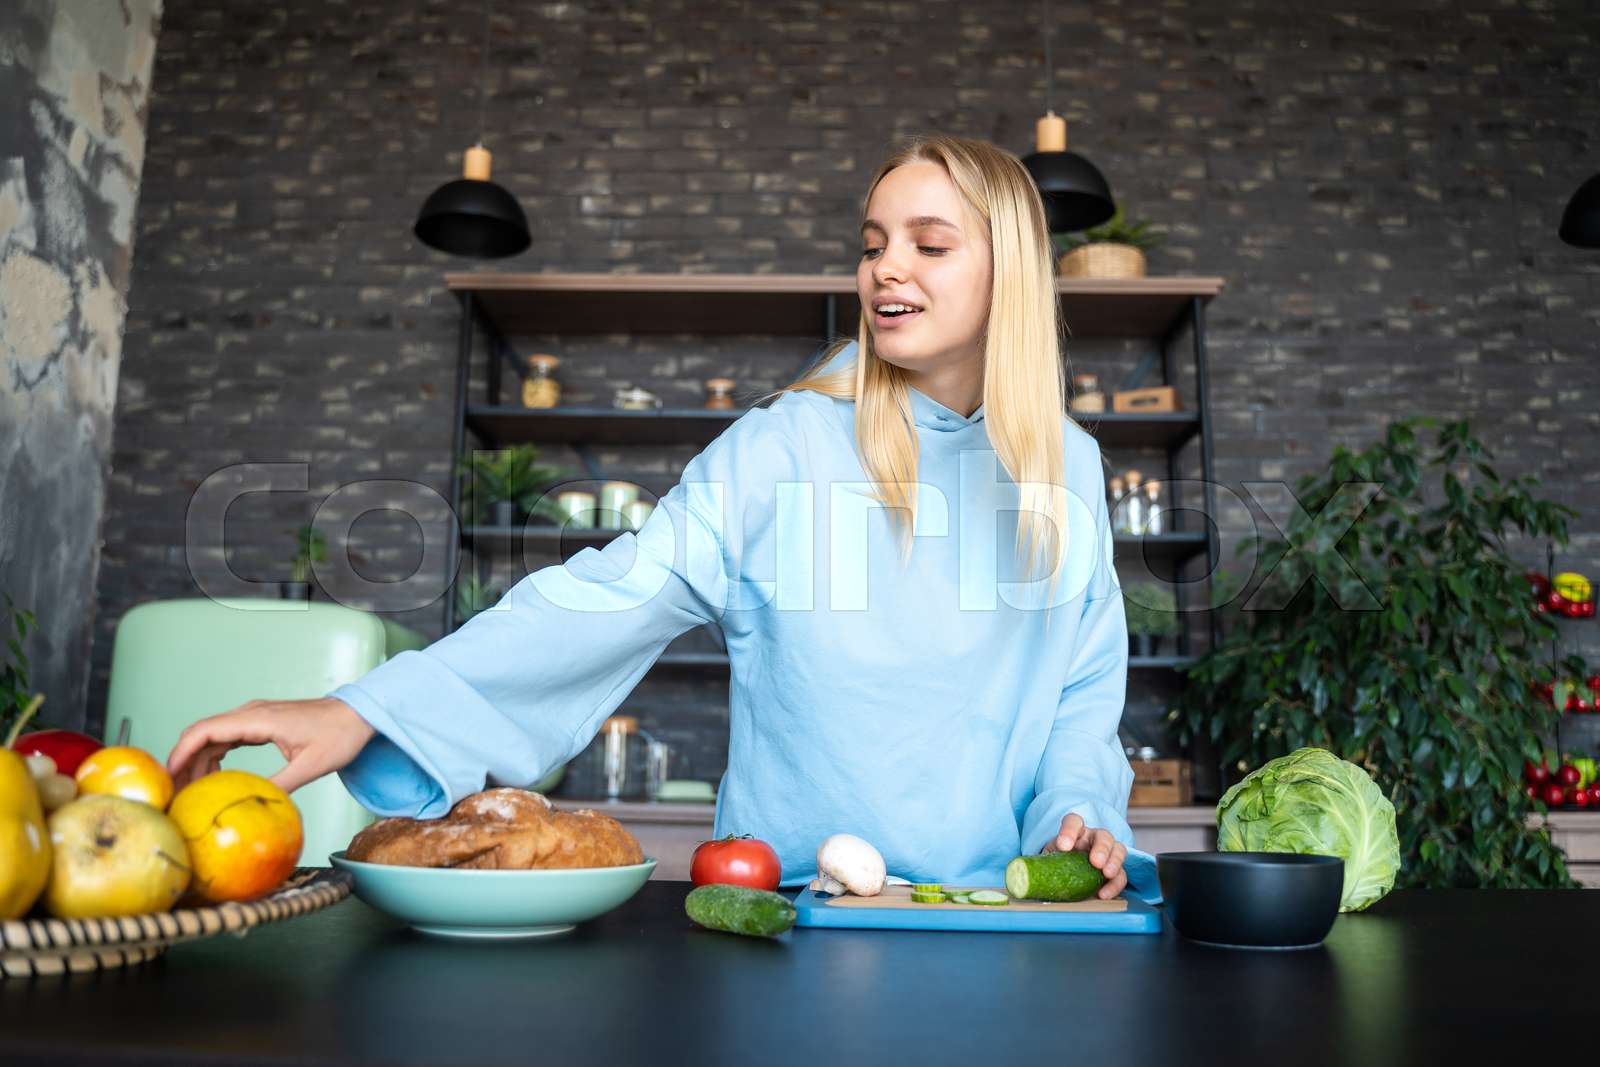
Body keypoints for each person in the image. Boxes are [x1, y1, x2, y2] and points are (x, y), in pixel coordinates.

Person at [167, 134, 1159, 902]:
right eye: (872, 244)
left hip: (987, 915)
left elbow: (1079, 692)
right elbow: (609, 596)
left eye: (929, 244)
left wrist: (1078, 814)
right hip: (785, 911)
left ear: (1012, 272)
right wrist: (369, 706)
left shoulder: (1067, 469)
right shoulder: (787, 446)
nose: (885, 268)